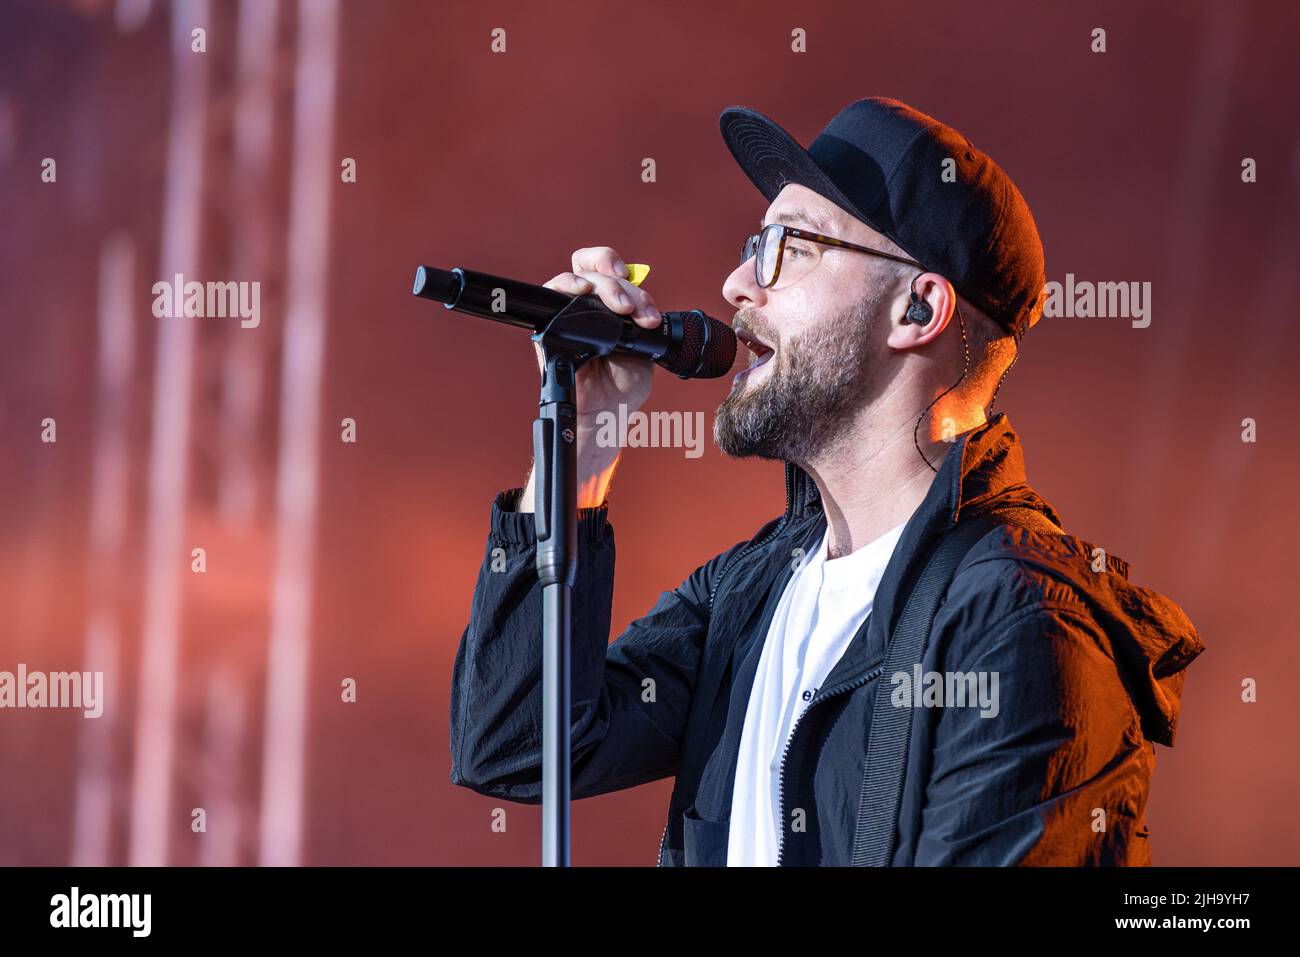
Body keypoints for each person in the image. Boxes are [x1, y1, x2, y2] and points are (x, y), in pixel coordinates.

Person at [449, 97, 1206, 866]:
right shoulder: (748, 592)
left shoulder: (1023, 626)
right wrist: (579, 440)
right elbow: (517, 742)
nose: (738, 282)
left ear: (917, 308)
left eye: (789, 248)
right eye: (754, 244)